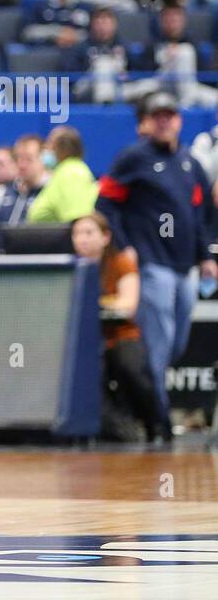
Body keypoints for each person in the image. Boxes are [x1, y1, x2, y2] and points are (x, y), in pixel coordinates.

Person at [95, 92, 218, 439]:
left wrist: (206, 256)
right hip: (152, 266)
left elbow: (199, 215)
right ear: (148, 122)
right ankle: (159, 423)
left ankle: (148, 412)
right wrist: (126, 247)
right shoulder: (133, 158)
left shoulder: (189, 163)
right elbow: (105, 204)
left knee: (175, 343)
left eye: (170, 115)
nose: (164, 121)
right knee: (157, 344)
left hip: (185, 269)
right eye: (158, 116)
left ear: (179, 120)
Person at [72, 211, 168, 442]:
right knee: (89, 374)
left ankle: (157, 425)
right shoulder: (69, 267)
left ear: (105, 237)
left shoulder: (120, 263)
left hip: (120, 334)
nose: (82, 239)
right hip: (82, 341)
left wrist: (96, 304)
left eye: (89, 232)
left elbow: (127, 305)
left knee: (131, 366)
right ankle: (117, 430)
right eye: (77, 234)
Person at [28, 126, 98, 223]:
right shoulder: (61, 172)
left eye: (49, 143)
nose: (45, 149)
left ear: (63, 148)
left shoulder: (72, 173)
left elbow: (79, 219)